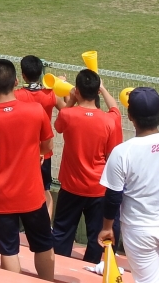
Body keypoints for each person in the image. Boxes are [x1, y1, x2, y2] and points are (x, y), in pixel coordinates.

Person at [0, 59, 55, 280]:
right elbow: (47, 145)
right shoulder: (36, 111)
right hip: (31, 193)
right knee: (43, 244)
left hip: (0, 196)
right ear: (17, 81)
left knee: (8, 249)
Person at [99, 88, 159, 283]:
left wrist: (107, 227)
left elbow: (113, 196)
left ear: (130, 116)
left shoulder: (122, 152)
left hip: (139, 229)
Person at [50, 69, 122, 265]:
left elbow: (58, 125)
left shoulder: (68, 115)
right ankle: (90, 269)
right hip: (99, 188)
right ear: (97, 92)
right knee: (96, 237)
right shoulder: (110, 120)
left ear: (77, 91)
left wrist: (71, 99)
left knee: (62, 232)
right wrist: (104, 89)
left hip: (71, 186)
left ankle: (59, 271)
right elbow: (115, 109)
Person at [14, 54, 63, 216]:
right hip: (44, 151)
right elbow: (65, 110)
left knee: (23, 188)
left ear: (23, 75)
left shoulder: (17, 96)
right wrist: (59, 86)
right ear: (41, 73)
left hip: (23, 151)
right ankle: (46, 226)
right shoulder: (50, 95)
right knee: (45, 190)